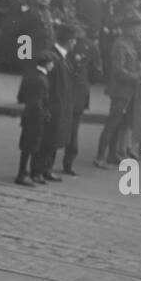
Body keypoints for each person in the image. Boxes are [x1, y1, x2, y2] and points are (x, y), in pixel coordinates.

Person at [93, 10, 141, 168]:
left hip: (127, 91)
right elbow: (118, 70)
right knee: (112, 124)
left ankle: (111, 154)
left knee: (120, 124)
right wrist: (137, 76)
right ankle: (100, 156)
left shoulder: (130, 44)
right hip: (120, 91)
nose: (140, 30)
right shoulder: (120, 45)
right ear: (129, 28)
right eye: (138, 27)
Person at [34, 25, 76, 182]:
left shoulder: (60, 56)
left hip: (60, 104)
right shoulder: (53, 56)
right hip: (54, 104)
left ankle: (46, 169)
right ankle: (38, 170)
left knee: (54, 139)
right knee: (46, 139)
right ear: (70, 41)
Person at [60, 24, 99, 176]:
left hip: (64, 91)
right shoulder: (91, 46)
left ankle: (47, 164)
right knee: (74, 130)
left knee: (57, 125)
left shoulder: (63, 42)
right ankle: (68, 163)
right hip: (80, 92)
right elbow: (97, 72)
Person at [16, 51, 54, 186]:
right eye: (51, 63)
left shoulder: (30, 75)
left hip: (28, 116)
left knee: (27, 146)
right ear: (47, 64)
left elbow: (21, 97)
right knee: (31, 147)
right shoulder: (41, 79)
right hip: (36, 118)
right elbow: (38, 102)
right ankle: (23, 174)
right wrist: (45, 114)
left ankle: (25, 172)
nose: (52, 66)